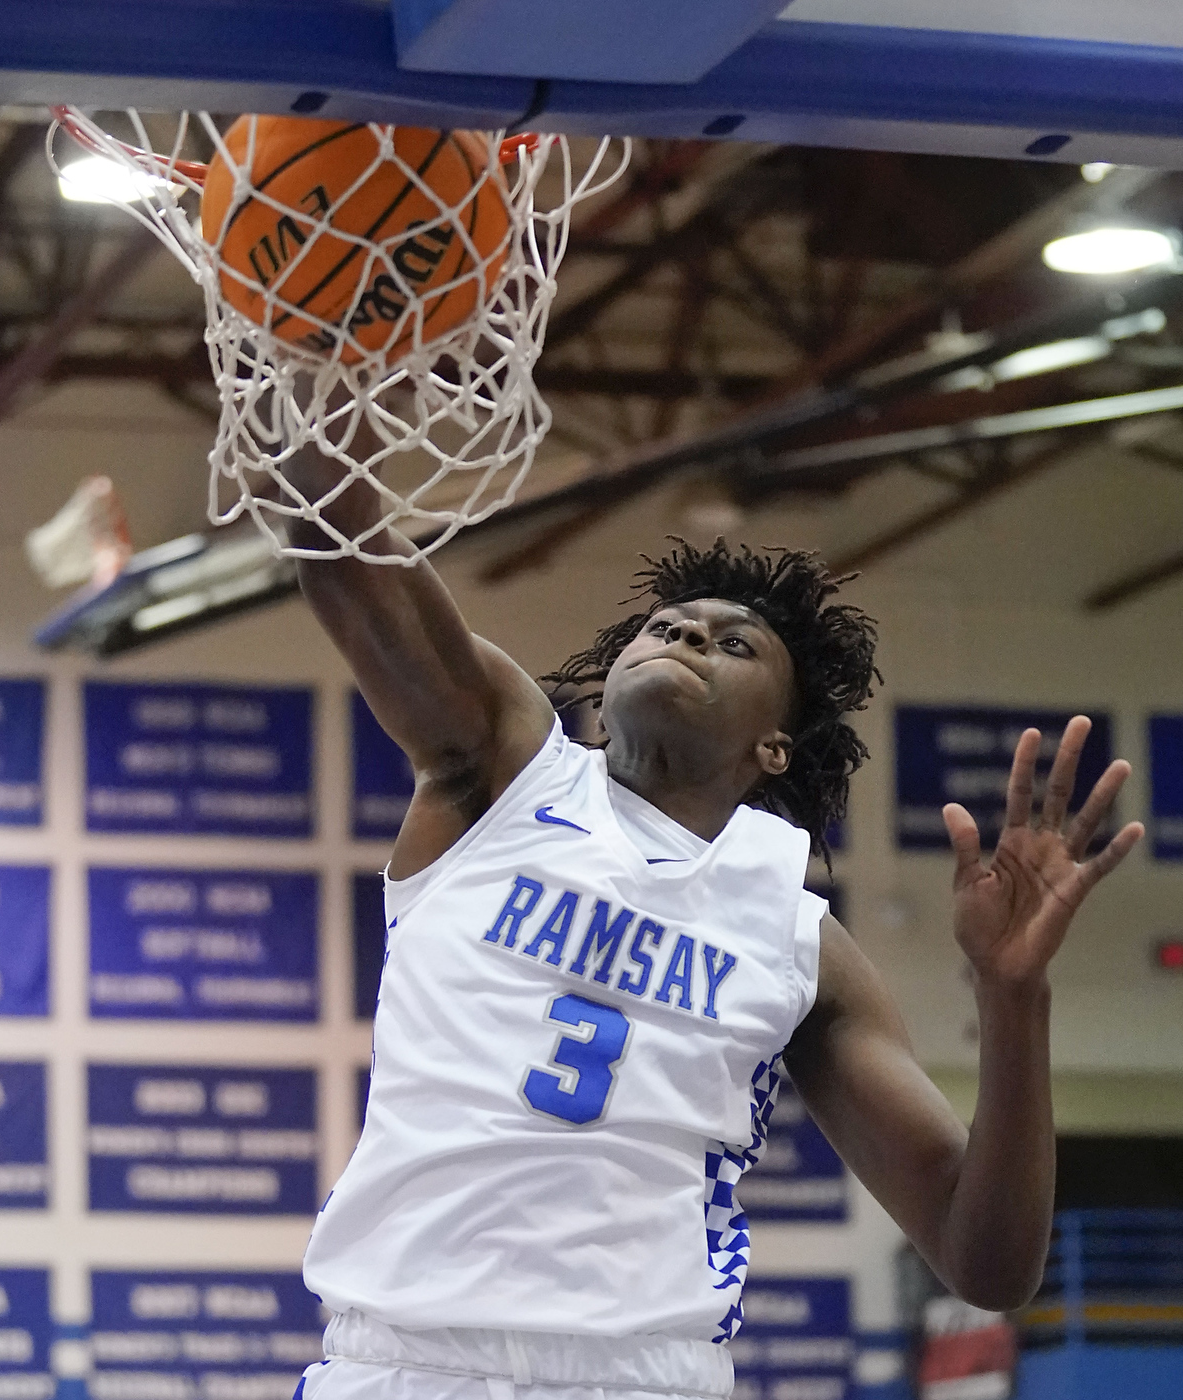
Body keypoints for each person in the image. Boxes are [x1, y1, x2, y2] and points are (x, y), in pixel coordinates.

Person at [281, 452, 1142, 1400]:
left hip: (646, 1374)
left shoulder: (793, 932)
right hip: (402, 1363)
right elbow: (348, 559)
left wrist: (1013, 999)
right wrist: (310, 415)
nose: (690, 635)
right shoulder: (501, 770)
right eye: (667, 627)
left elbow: (988, 1267)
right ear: (609, 684)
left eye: (735, 646)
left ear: (772, 744)